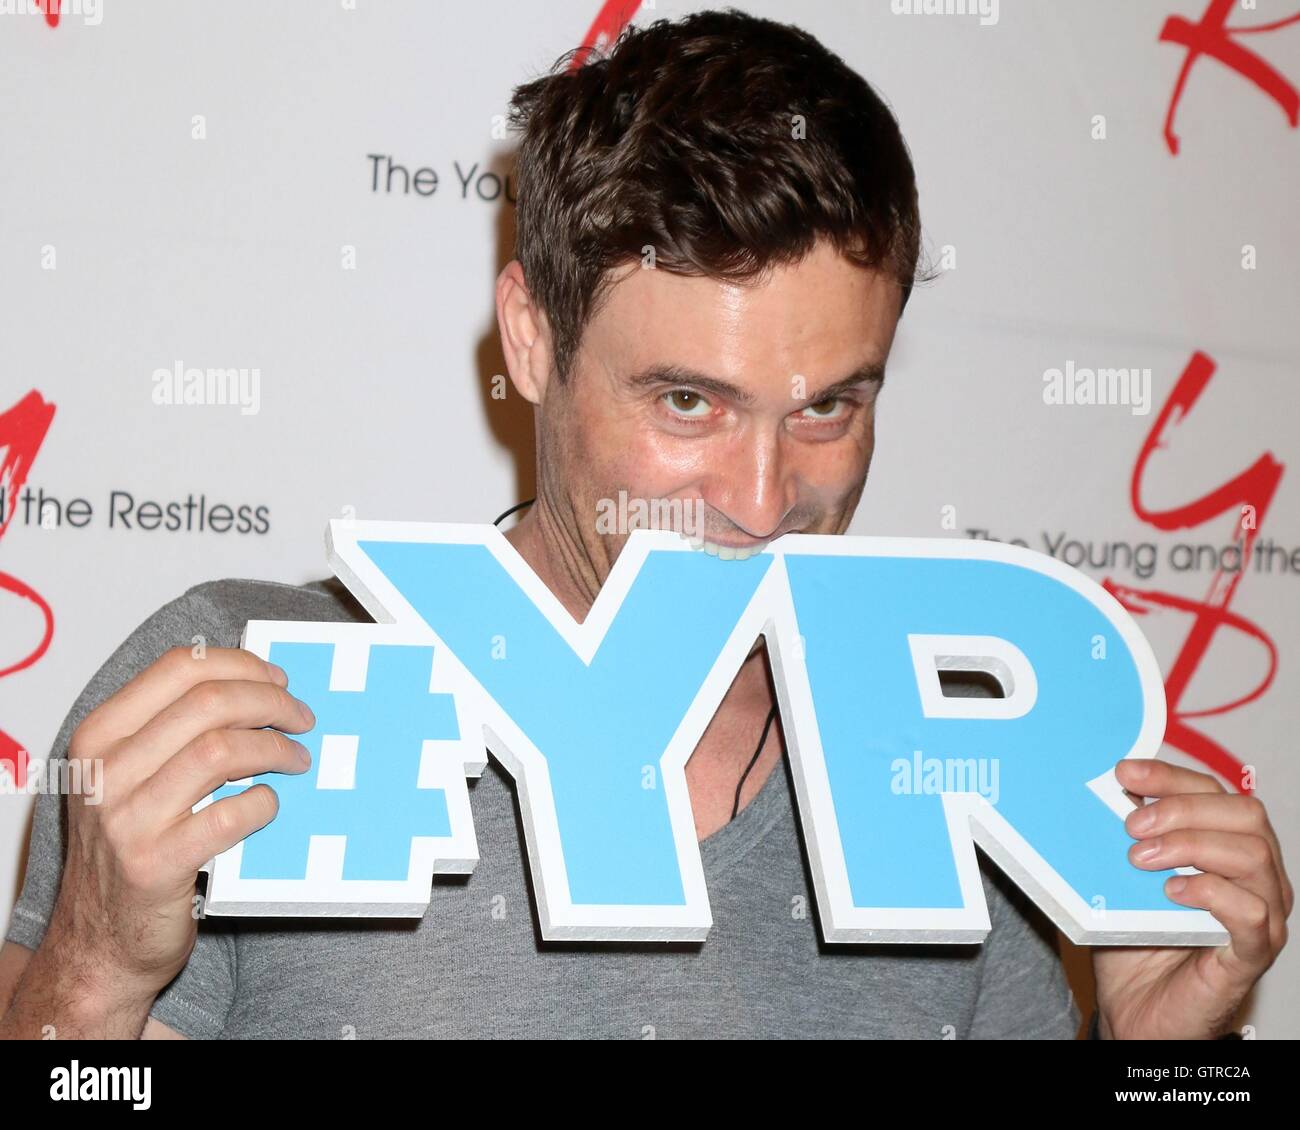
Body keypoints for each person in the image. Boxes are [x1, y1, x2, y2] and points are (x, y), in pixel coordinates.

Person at [0, 10, 1289, 1040]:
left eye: (829, 406)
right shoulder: (252, 695)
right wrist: (91, 974)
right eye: (688, 402)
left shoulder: (956, 763)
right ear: (532, 338)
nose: (764, 499)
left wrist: (1165, 1059)